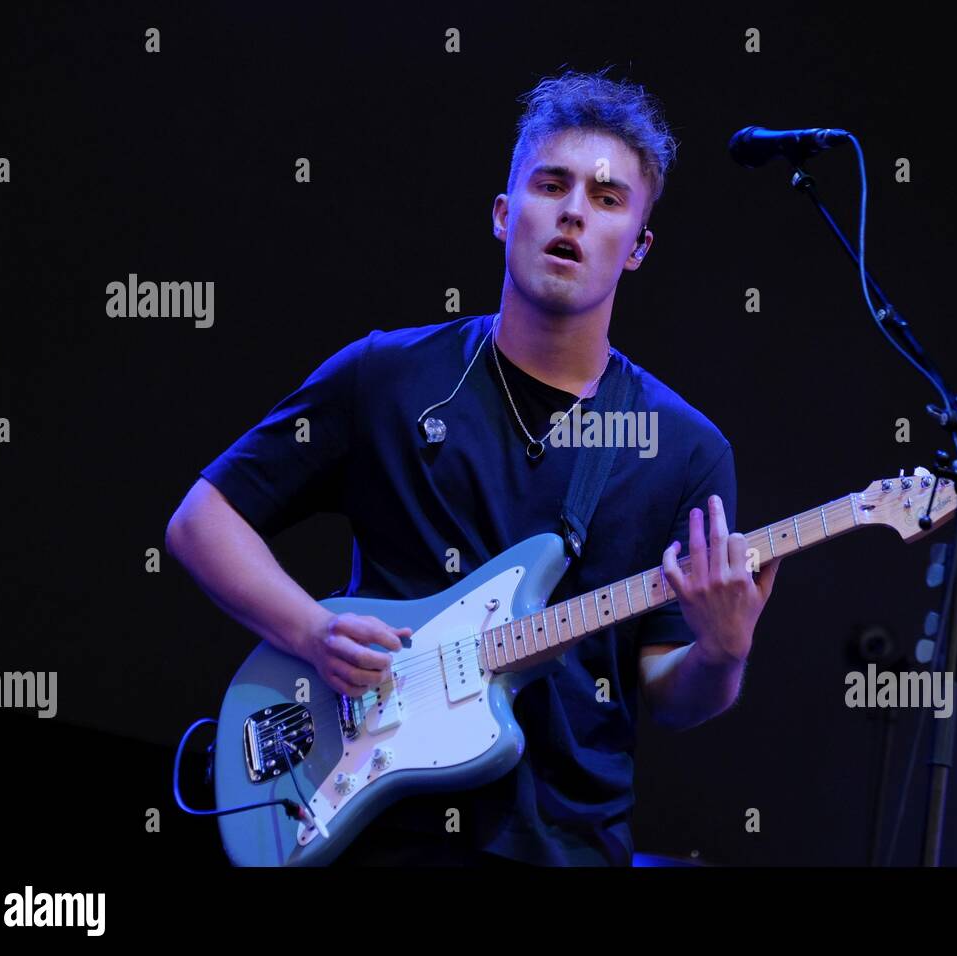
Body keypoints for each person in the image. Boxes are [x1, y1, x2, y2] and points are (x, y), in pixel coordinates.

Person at [166, 67, 781, 867]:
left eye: (606, 199)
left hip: (568, 846)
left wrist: (724, 653)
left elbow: (672, 696)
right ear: (503, 215)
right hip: (378, 829)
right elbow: (200, 522)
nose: (571, 213)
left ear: (637, 247)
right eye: (550, 184)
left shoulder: (687, 449)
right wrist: (312, 632)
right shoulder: (387, 375)